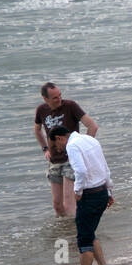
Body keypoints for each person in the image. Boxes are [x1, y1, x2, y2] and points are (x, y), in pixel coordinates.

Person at [49, 125, 113, 265]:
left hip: (90, 195)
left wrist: (77, 191)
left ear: (59, 138)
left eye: (55, 145)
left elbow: (81, 171)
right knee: (89, 232)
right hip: (102, 192)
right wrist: (109, 192)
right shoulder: (90, 139)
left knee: (83, 240)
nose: (58, 149)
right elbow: (104, 167)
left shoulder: (72, 146)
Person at [33, 83, 99, 217]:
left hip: (71, 160)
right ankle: (64, 233)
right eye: (55, 97)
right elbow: (37, 130)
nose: (59, 99)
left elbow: (92, 126)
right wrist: (45, 148)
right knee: (57, 206)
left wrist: (82, 148)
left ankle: (78, 234)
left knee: (69, 204)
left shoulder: (70, 106)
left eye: (60, 95)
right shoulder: (41, 110)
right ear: (45, 99)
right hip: (54, 161)